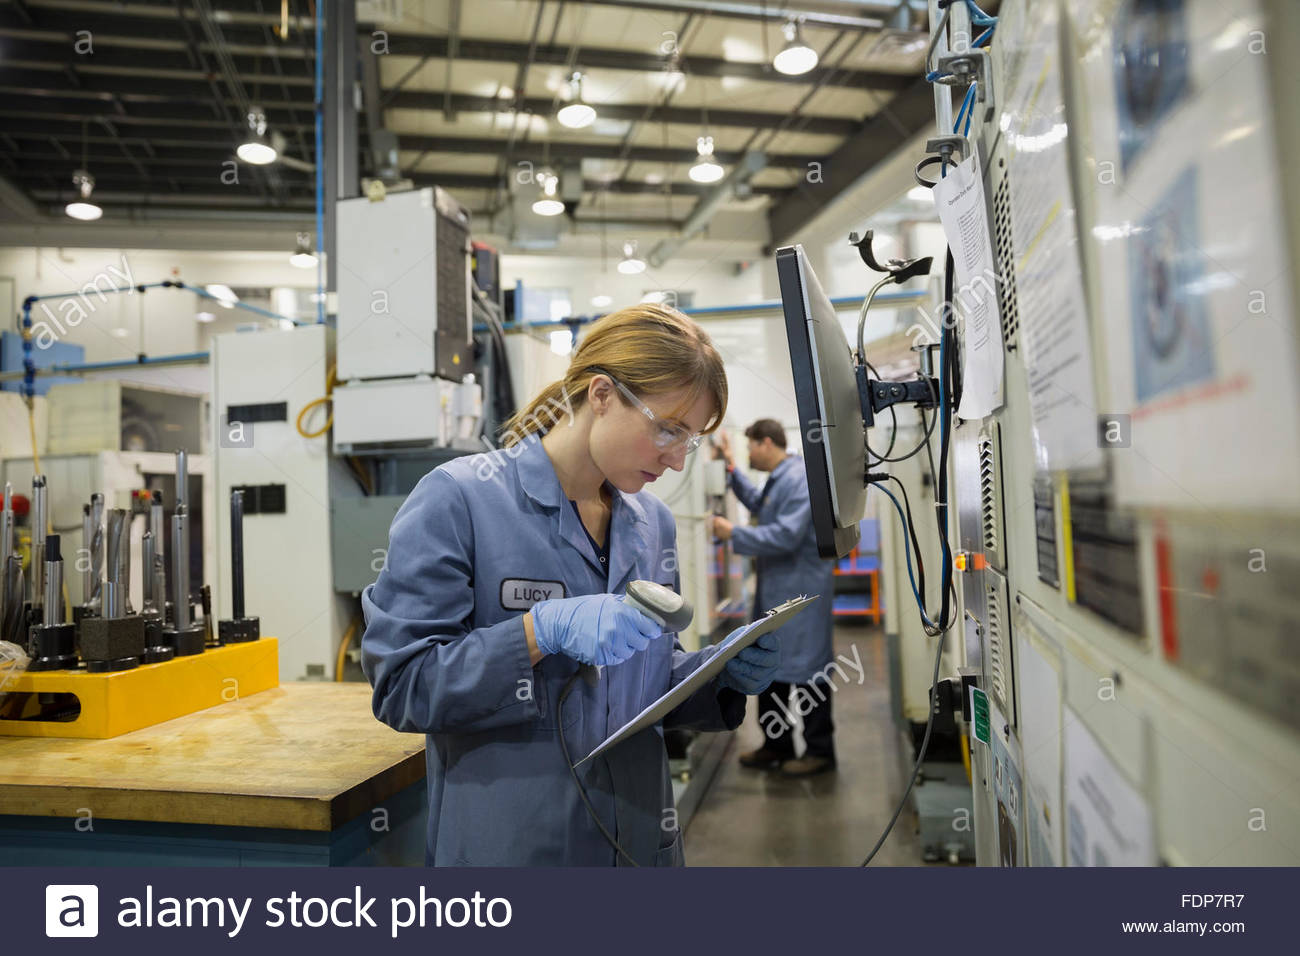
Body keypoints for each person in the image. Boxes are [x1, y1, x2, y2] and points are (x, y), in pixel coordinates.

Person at [361, 305, 781, 866]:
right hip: (516, 850)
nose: (677, 461)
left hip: (636, 844)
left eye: (690, 441)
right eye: (667, 430)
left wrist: (717, 674)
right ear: (602, 394)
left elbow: (645, 678)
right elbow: (403, 686)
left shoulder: (650, 522)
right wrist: (537, 632)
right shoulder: (461, 499)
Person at [711, 420, 837, 776]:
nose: (750, 453)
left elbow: (785, 536)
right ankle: (776, 745)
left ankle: (820, 751)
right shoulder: (781, 479)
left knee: (810, 672)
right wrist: (732, 468)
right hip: (779, 592)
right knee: (773, 669)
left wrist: (731, 531)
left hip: (800, 593)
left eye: (750, 447)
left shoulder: (798, 479)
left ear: (767, 443)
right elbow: (759, 502)